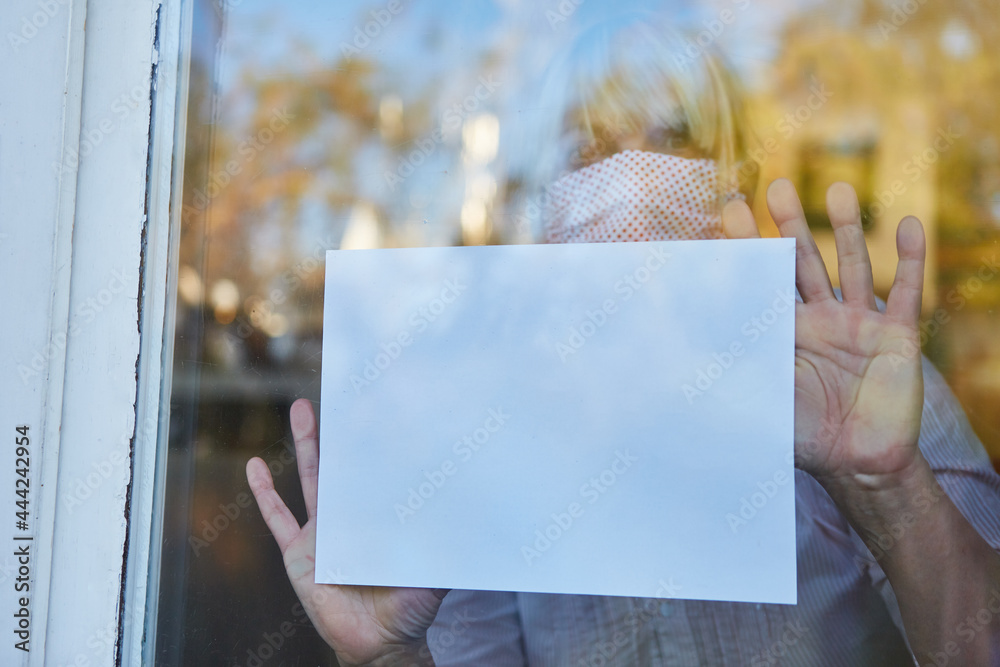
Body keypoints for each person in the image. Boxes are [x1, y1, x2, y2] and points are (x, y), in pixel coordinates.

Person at [246, 14, 1000, 667]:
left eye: (671, 137)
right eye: (587, 146)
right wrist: (385, 655)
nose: (628, 175)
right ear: (542, 199)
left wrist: (889, 487)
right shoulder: (489, 431)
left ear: (731, 173)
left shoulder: (852, 380)